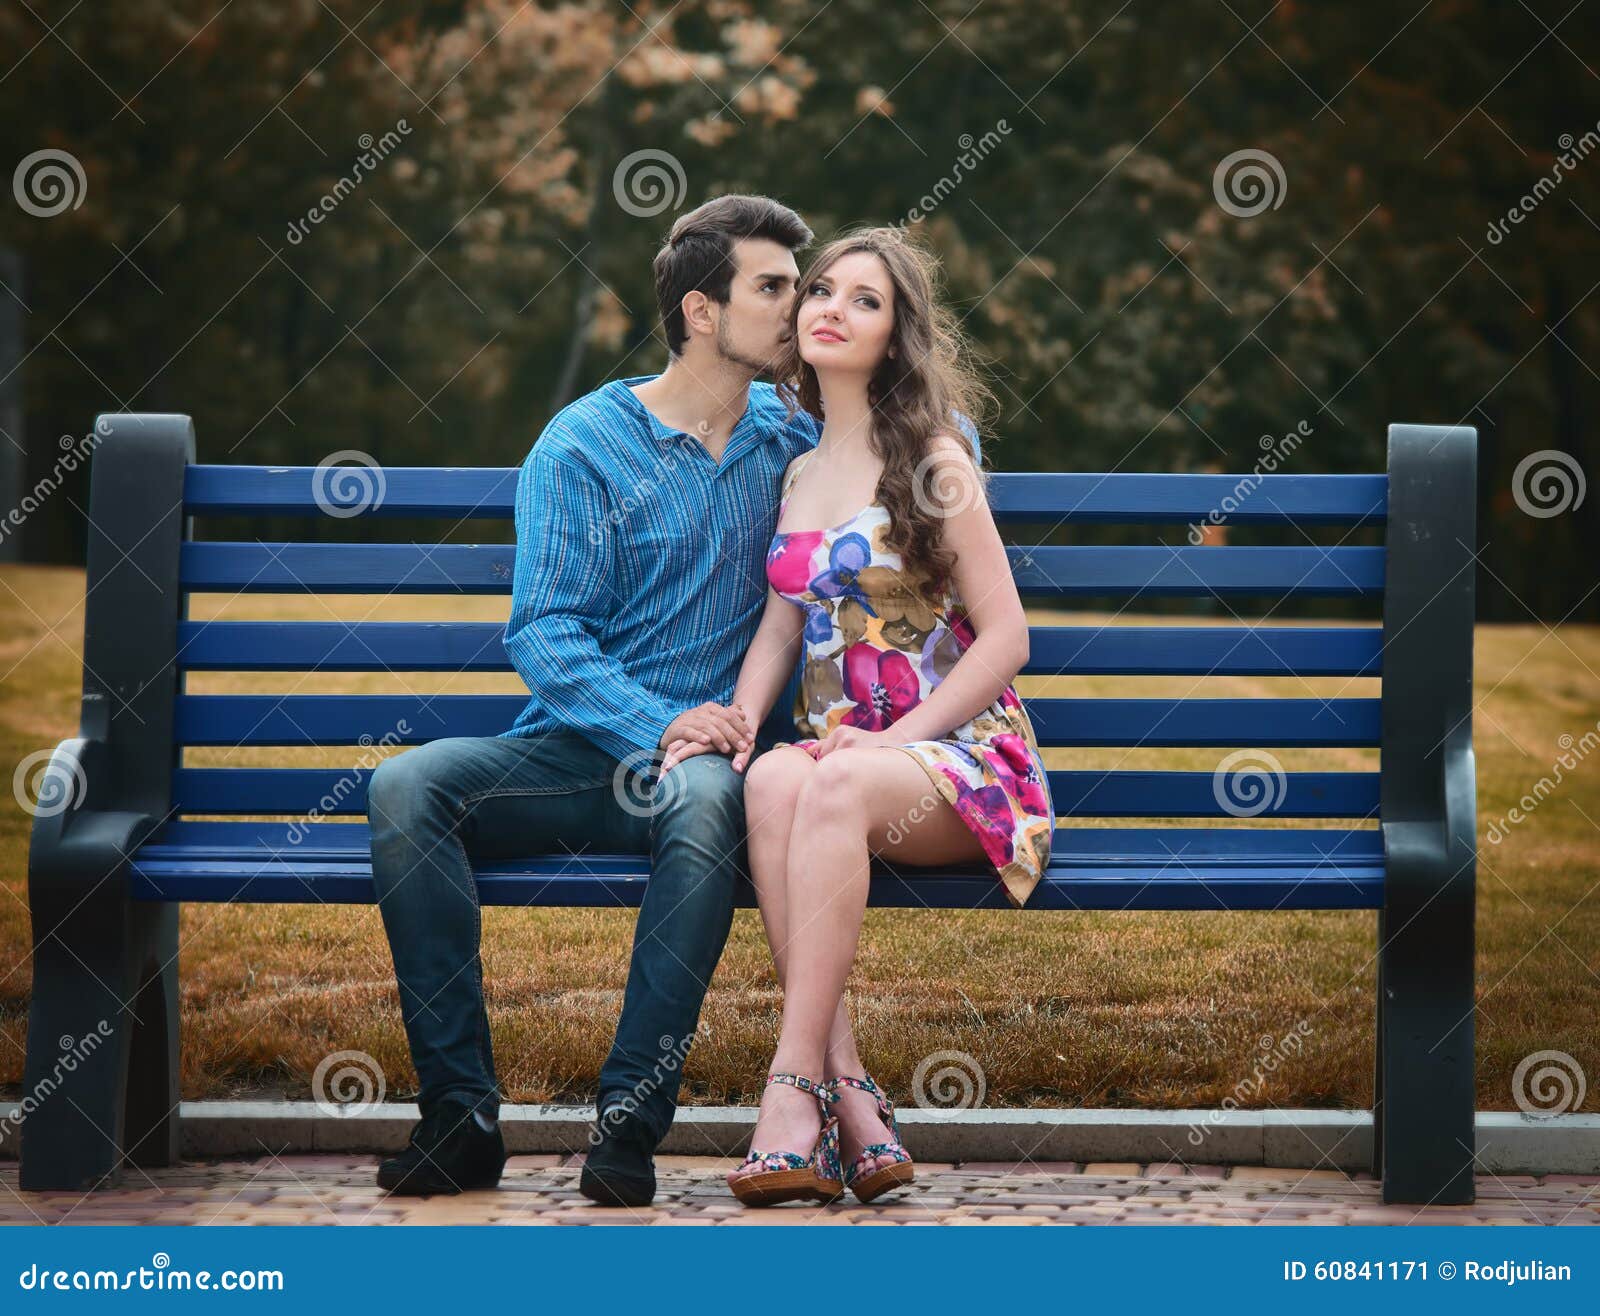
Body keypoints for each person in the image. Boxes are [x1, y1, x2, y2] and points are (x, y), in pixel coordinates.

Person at [365, 194, 822, 1202]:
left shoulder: (796, 442)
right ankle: (459, 1114)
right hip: (580, 753)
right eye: (774, 287)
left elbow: (930, 423)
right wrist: (658, 721)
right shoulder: (581, 444)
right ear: (701, 311)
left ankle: (625, 1123)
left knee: (701, 796)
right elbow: (544, 634)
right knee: (407, 788)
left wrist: (705, 736)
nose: (801, 305)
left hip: (717, 771)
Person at [690, 226, 1054, 1207]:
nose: (829, 308)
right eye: (819, 290)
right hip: (841, 752)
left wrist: (901, 737)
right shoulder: (801, 471)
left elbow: (1007, 635)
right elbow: (778, 626)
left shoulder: (931, 454)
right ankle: (850, 1100)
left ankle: (788, 1097)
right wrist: (738, 716)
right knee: (770, 772)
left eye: (863, 299)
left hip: (959, 754)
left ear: (896, 336)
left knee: (831, 775)